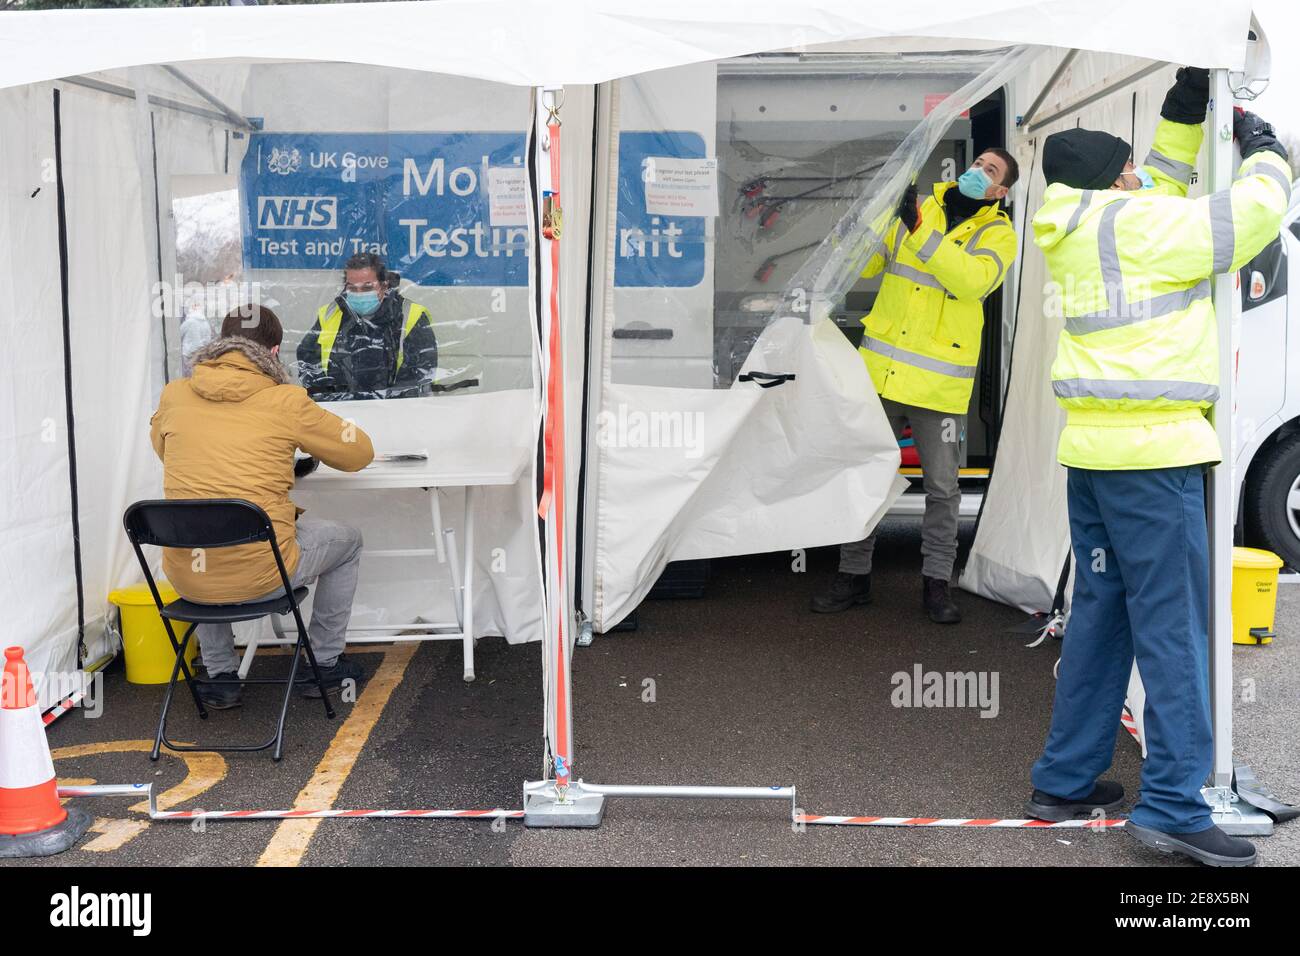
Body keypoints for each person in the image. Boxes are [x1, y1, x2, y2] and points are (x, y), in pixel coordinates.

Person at [1023, 68, 1291, 867]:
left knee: (1103, 617)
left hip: (1095, 458)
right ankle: (1175, 802)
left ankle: (1064, 780)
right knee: (1175, 633)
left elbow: (1161, 185)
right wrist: (1267, 150)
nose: (1144, 169)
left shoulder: (1081, 220)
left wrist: (1182, 110)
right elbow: (1251, 216)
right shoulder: (1135, 225)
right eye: (1131, 163)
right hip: (1156, 460)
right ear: (1114, 179)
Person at [812, 148, 1020, 623]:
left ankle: (936, 585)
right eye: (977, 164)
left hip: (938, 388)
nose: (975, 172)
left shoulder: (999, 234)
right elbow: (868, 266)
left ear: (1000, 191)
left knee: (943, 490)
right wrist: (856, 231)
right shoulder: (917, 205)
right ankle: (854, 575)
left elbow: (972, 282)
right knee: (866, 474)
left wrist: (918, 229)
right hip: (881, 375)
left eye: (989, 171)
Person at [150, 305, 376, 707]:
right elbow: (358, 453)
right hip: (263, 576)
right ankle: (323, 666)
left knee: (200, 531)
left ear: (219, 345)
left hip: (187, 579)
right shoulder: (285, 400)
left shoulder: (174, 394)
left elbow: (165, 450)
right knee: (349, 541)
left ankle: (220, 675)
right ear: (273, 353)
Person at [296, 252, 438, 401]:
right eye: (352, 288)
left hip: (395, 413)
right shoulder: (331, 313)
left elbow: (422, 372)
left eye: (367, 288)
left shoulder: (410, 315)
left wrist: (387, 405)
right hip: (341, 412)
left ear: (384, 286)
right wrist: (330, 396)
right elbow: (307, 356)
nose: (359, 294)